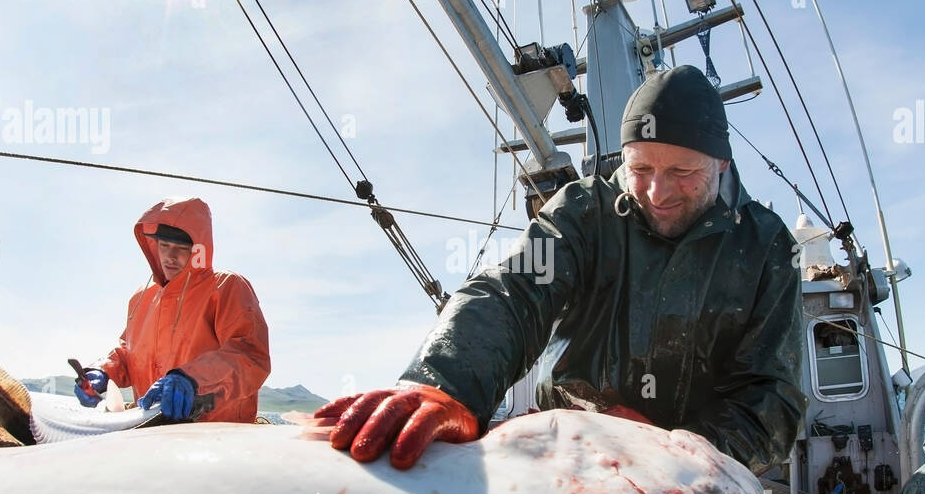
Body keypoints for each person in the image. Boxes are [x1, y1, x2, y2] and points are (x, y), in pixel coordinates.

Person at [317, 64, 807, 473]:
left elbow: (772, 399)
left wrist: (673, 447)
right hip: (566, 460)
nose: (658, 193)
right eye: (640, 170)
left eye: (682, 173)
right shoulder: (585, 210)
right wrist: (446, 382)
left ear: (721, 162)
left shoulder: (766, 247)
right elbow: (514, 292)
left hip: (698, 482)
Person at [73, 196, 271, 423]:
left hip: (217, 436)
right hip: (150, 431)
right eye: (164, 245)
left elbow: (250, 356)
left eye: (181, 248)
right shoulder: (142, 297)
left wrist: (191, 379)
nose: (170, 256)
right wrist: (102, 371)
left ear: (198, 251)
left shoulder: (226, 286)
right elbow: (129, 353)